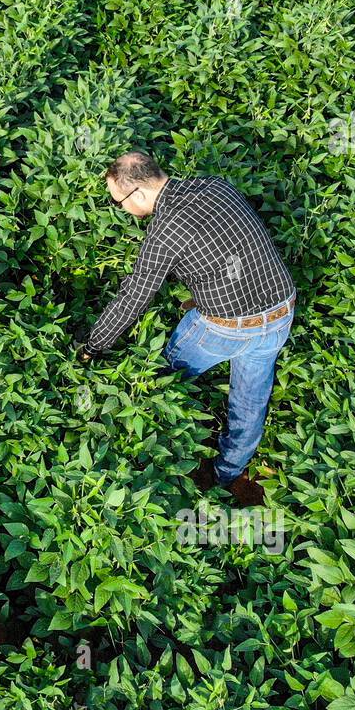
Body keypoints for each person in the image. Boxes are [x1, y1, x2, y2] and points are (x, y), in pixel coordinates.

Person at [76, 151, 297, 502]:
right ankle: (228, 471)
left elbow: (133, 296)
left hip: (226, 327)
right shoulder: (214, 185)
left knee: (161, 373)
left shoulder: (165, 232)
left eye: (119, 202)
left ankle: (156, 437)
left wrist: (93, 345)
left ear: (138, 195)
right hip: (282, 308)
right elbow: (236, 245)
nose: (121, 209)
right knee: (250, 400)